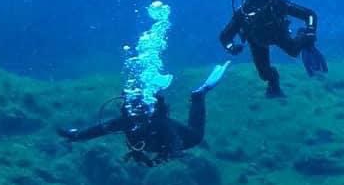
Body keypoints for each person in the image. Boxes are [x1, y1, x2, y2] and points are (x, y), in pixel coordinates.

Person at [58, 62, 229, 166]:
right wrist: (76, 136)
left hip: (188, 140)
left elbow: (174, 140)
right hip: (157, 147)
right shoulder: (125, 121)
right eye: (130, 107)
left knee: (196, 133)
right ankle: (198, 95)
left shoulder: (159, 122)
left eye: (137, 109)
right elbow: (98, 130)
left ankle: (199, 95)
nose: (134, 115)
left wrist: (165, 157)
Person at [219, 0, 327, 98]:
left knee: (294, 51)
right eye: (255, 1)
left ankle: (303, 36)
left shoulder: (277, 3)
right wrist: (231, 47)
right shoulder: (242, 13)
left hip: (277, 33)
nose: (259, 6)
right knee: (264, 74)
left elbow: (309, 14)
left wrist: (310, 31)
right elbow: (225, 37)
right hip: (257, 41)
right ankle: (274, 85)